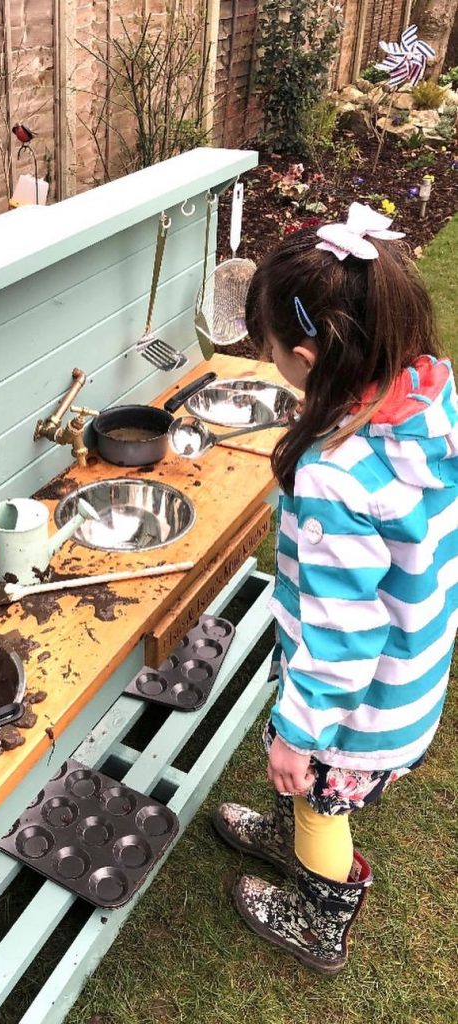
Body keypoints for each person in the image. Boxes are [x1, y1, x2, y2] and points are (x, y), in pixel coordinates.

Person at [213, 202, 458, 974]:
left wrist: (300, 732)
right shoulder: (424, 395)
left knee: (318, 796)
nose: (272, 366)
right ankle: (290, 831)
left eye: (272, 354)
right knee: (309, 792)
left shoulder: (335, 477)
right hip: (408, 669)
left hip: (354, 702)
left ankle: (316, 922)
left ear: (307, 357)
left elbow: (342, 631)